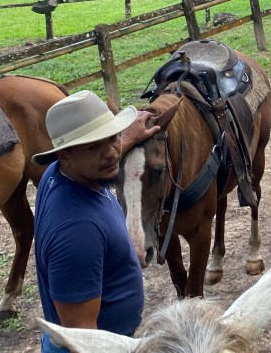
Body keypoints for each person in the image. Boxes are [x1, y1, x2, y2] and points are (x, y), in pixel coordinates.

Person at [32, 90, 160, 353]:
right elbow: (83, 339)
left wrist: (125, 138)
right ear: (64, 154)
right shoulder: (77, 232)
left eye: (112, 137)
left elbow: (106, 151)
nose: (112, 153)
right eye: (94, 146)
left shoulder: (62, 175)